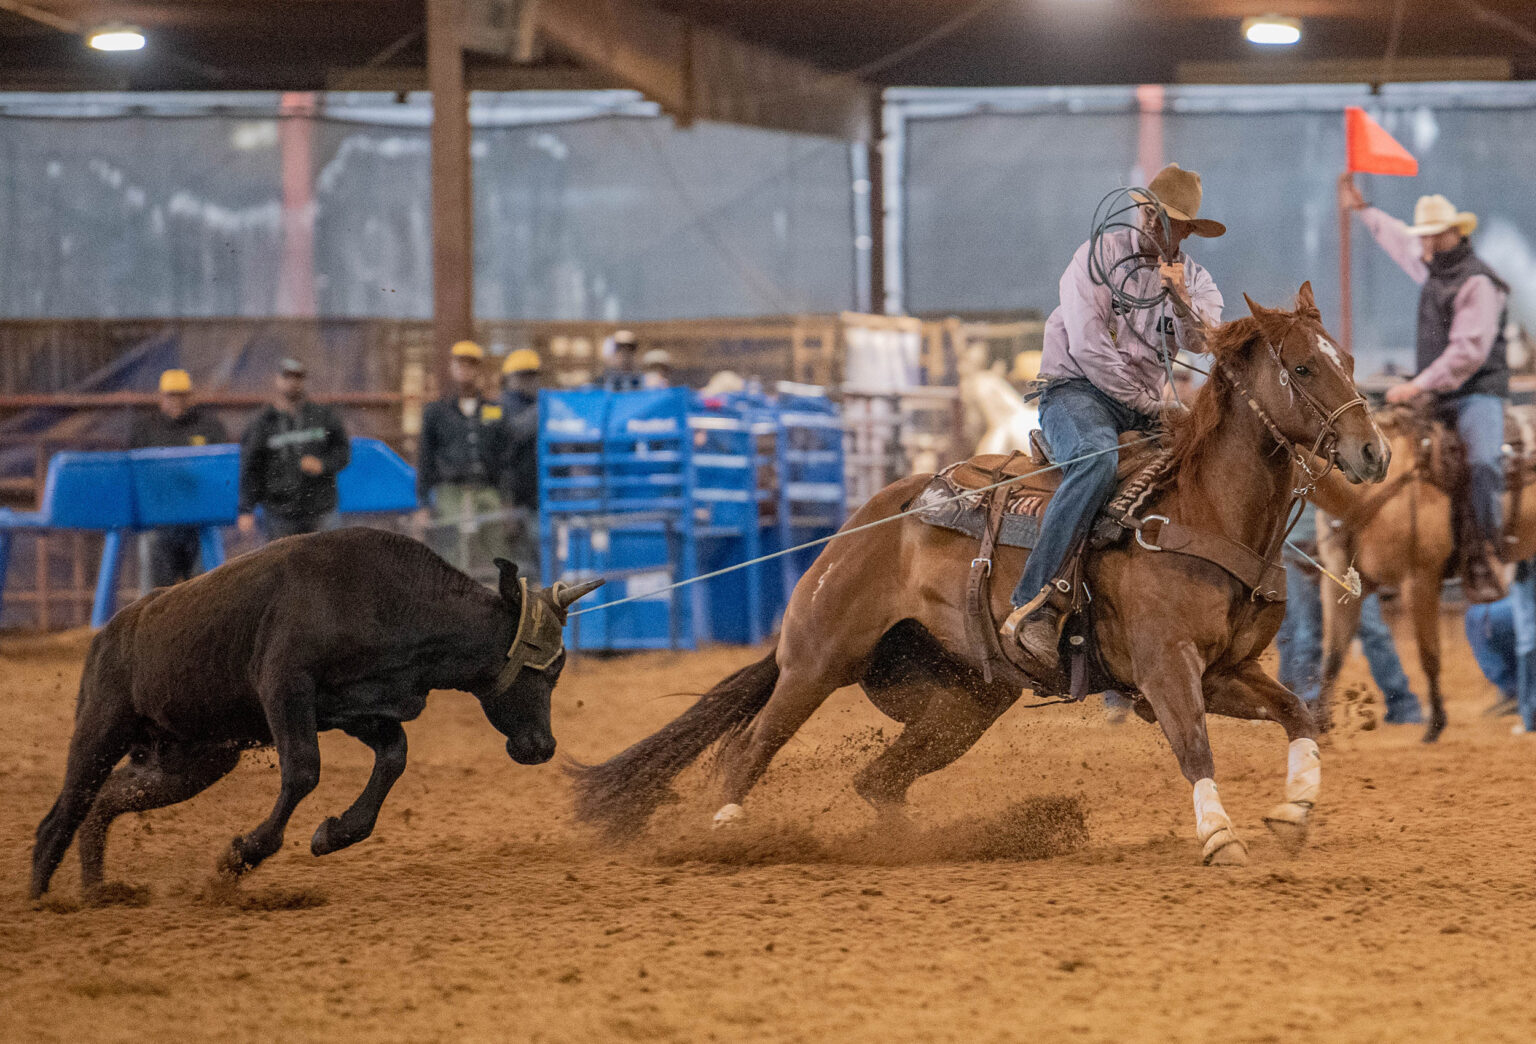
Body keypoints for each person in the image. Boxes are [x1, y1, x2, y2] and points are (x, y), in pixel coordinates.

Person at [1001, 163, 1225, 671]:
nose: (1161, 227)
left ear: (1188, 230)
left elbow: (1204, 341)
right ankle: (1034, 605)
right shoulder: (1097, 256)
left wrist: (1182, 299)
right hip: (1077, 390)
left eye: (1177, 224)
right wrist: (1154, 407)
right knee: (1097, 459)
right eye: (1156, 215)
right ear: (1142, 210)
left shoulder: (1196, 280)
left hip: (1146, 401)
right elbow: (1088, 347)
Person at [1342, 176, 1511, 602]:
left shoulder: (1477, 282)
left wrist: (1417, 385)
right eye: (1423, 237)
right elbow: (1399, 240)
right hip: (1441, 393)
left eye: (1429, 236)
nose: (1421, 243)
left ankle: (1487, 553)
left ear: (1449, 234)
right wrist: (1365, 211)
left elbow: (1467, 354)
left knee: (1485, 464)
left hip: (1478, 392)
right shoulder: (1435, 268)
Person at [1277, 505, 1424, 724]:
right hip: (1302, 551)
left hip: (1344, 551)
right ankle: (1310, 710)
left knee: (1373, 631)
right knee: (1306, 634)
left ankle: (1403, 706)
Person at [415, 340, 511, 574]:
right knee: (451, 552)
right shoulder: (436, 412)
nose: (465, 370)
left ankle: (507, 598)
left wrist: (507, 496)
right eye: (460, 364)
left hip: (488, 488)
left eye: (471, 364)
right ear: (452, 368)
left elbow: (506, 456)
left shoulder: (494, 410)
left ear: (478, 369)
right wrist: (423, 502)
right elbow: (425, 457)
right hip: (451, 491)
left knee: (497, 548)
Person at [131, 369, 229, 589]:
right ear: (161, 396)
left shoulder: (209, 426)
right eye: (171, 395)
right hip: (158, 523)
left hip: (200, 524)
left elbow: (223, 469)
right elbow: (134, 474)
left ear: (190, 396)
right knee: (154, 596)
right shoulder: (145, 429)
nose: (176, 401)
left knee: (203, 592)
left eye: (182, 395)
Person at [238, 358, 350, 540]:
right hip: (279, 511)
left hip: (321, 508)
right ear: (277, 379)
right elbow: (250, 467)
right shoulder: (263, 422)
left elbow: (343, 452)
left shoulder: (322, 416)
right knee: (281, 566)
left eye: (298, 377)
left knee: (327, 563)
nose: (292, 382)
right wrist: (246, 509)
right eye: (287, 376)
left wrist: (323, 464)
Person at [498, 348, 543, 577]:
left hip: (538, 493)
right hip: (515, 495)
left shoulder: (536, 405)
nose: (529, 381)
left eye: (532, 375)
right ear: (509, 379)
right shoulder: (501, 407)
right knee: (520, 555)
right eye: (522, 376)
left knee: (540, 549)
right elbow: (515, 431)